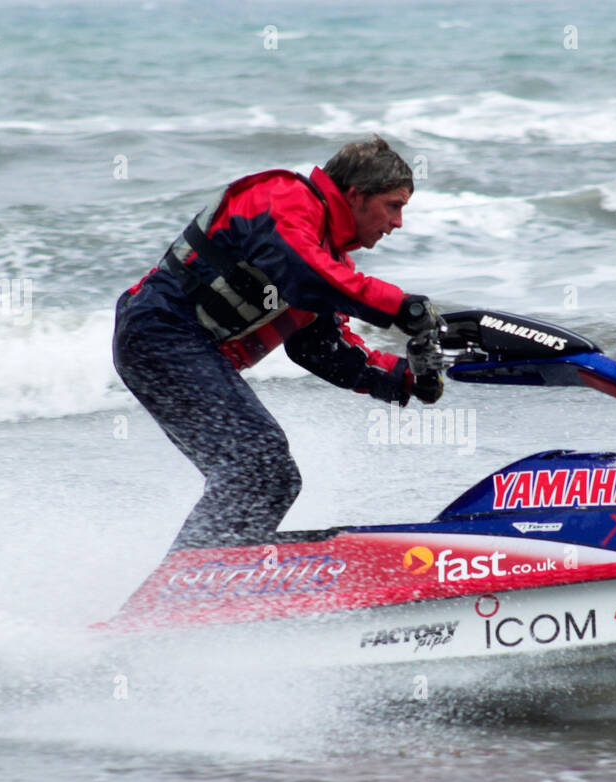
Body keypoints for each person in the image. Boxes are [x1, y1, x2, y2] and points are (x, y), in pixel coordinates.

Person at [113, 135, 444, 551]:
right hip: (157, 331)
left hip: (171, 344)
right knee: (259, 464)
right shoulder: (285, 199)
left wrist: (406, 379)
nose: (397, 223)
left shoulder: (329, 261)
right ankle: (189, 591)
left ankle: (214, 576)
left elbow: (322, 348)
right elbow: (303, 273)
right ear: (357, 196)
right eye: (393, 206)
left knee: (270, 475)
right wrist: (399, 306)